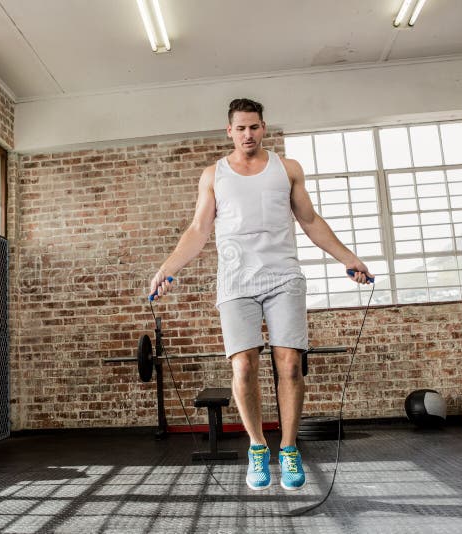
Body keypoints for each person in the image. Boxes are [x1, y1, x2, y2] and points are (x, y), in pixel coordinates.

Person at [148, 98, 372, 491]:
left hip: (283, 276)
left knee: (289, 365)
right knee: (244, 367)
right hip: (235, 281)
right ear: (229, 131)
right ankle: (256, 447)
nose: (248, 135)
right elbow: (199, 230)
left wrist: (348, 258)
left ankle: (287, 449)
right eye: (240, 128)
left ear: (264, 127)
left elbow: (310, 220)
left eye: (254, 127)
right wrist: (167, 269)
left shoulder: (287, 169)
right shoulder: (213, 175)